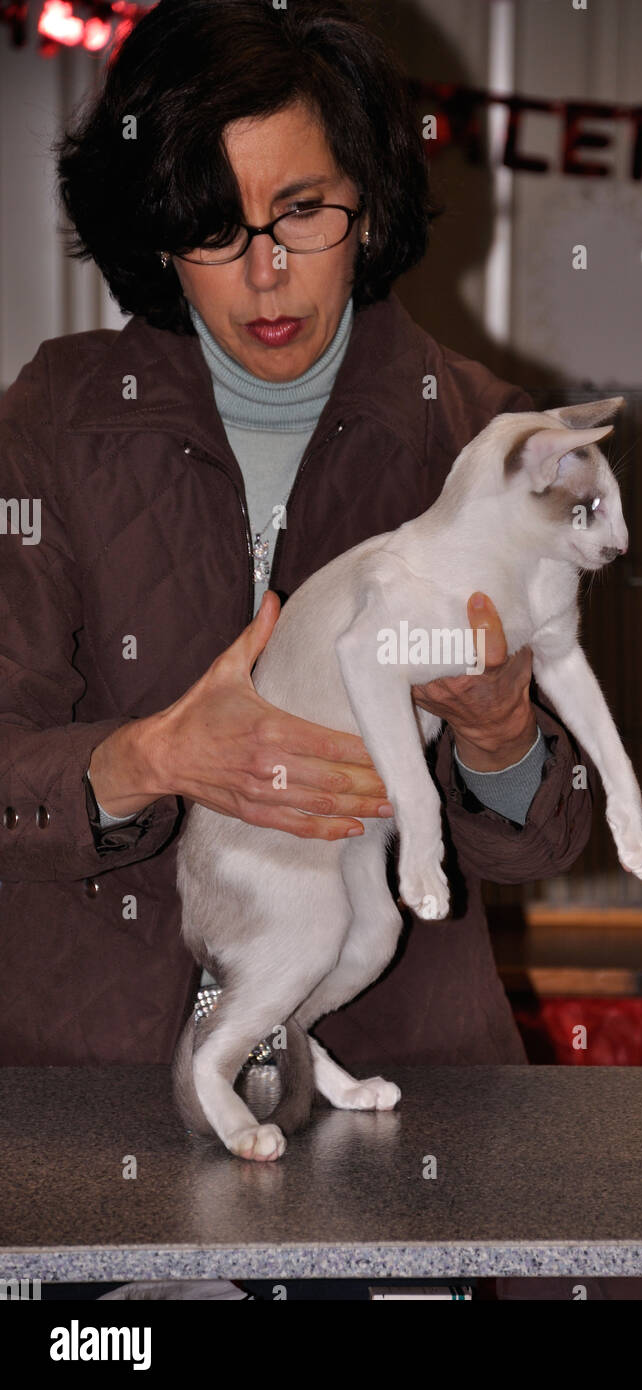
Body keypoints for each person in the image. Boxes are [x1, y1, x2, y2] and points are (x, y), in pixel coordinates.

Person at [0, 0, 594, 1298]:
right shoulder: (48, 418)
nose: (264, 269)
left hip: (406, 1106)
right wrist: (148, 756)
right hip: (85, 1110)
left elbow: (552, 836)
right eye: (214, 227)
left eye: (303, 211)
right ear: (156, 234)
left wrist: (499, 740)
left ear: (369, 206)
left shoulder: (486, 436)